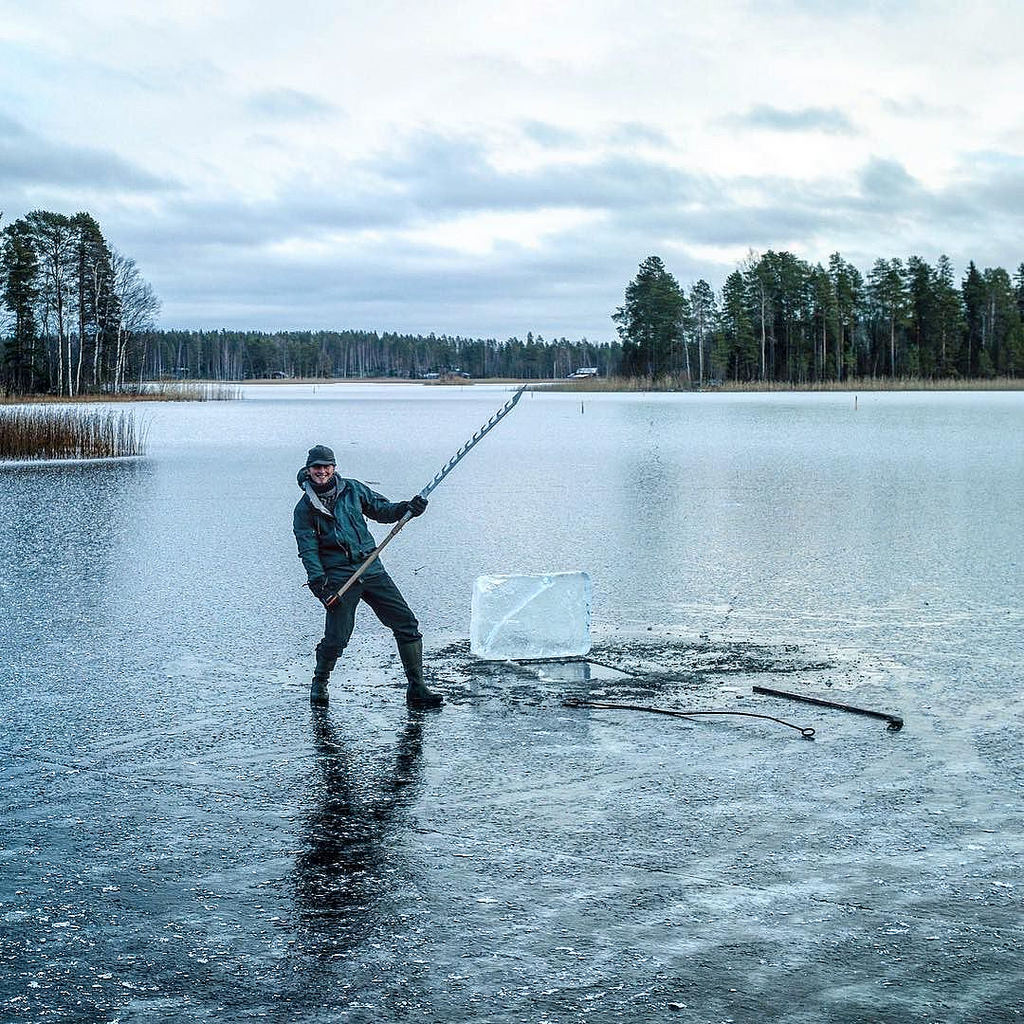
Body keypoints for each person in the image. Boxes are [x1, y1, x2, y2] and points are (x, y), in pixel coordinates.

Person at [293, 444, 442, 708]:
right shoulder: (304, 509)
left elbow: (382, 510)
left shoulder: (353, 489)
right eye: (317, 467)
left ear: (334, 468)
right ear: (309, 470)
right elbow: (308, 550)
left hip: (371, 567)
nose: (322, 471)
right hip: (339, 577)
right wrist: (319, 585)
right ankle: (320, 681)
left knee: (406, 624)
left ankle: (417, 687)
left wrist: (407, 508)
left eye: (326, 466)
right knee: (337, 638)